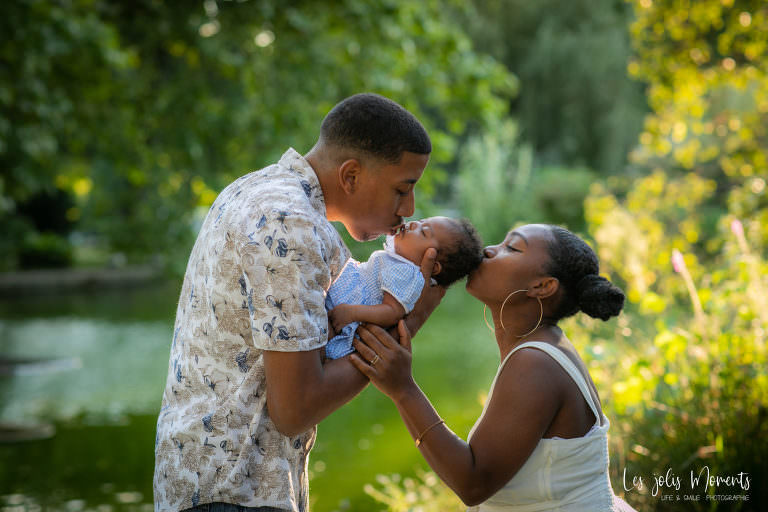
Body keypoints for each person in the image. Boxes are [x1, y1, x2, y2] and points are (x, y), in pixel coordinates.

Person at [153, 93, 446, 512]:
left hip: (207, 483)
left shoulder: (258, 191)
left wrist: (399, 289)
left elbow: (339, 326)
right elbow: (295, 409)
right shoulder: (290, 225)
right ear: (350, 176)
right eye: (403, 188)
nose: (409, 208)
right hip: (234, 494)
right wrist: (408, 320)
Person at [351, 223, 638, 511]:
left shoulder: (535, 364)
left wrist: (404, 390)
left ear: (542, 286)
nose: (488, 250)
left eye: (511, 248)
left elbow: (473, 483)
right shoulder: (543, 347)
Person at [325, 216, 483, 359]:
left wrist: (352, 313)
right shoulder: (401, 262)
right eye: (421, 221)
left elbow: (392, 311)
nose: (414, 224)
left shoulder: (408, 274)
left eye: (423, 232)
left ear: (433, 266)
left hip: (345, 314)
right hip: (342, 297)